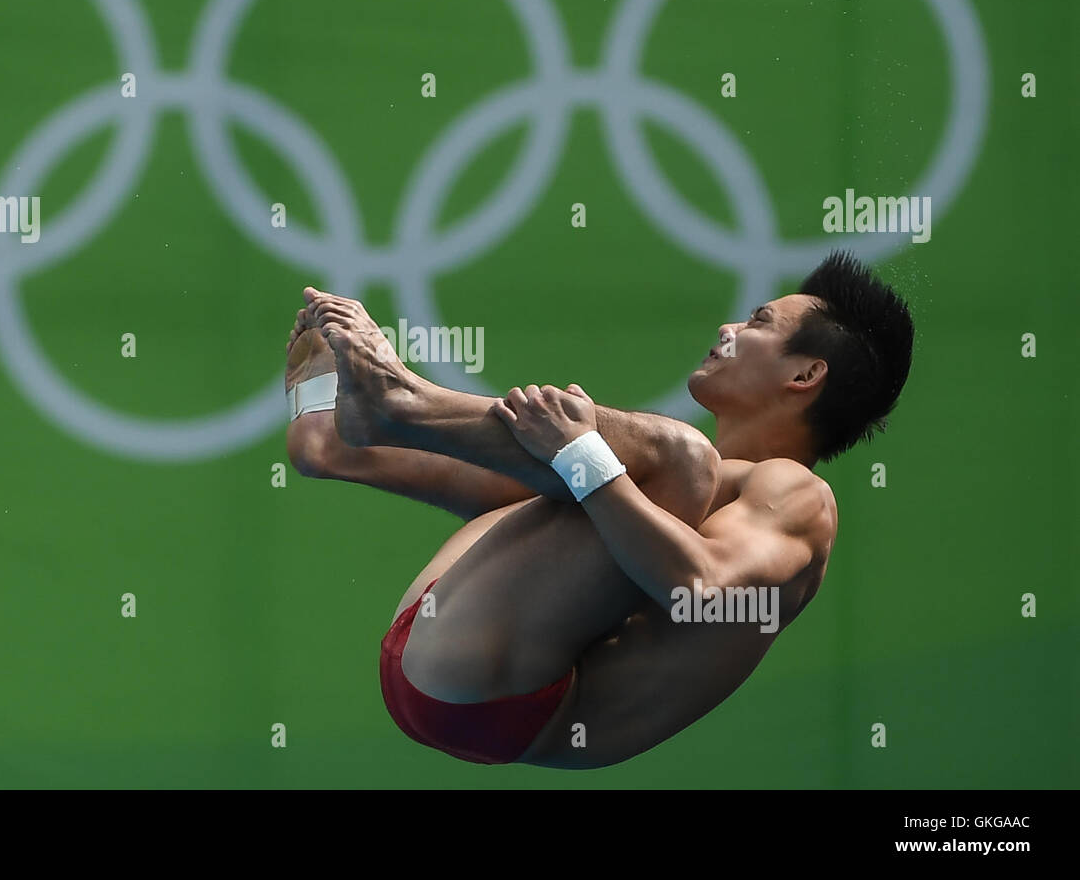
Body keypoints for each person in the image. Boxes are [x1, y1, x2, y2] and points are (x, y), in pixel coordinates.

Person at [284, 250, 913, 768]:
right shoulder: (688, 489)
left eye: (758, 323)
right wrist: (580, 463)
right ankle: (335, 441)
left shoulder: (799, 497)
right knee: (591, 475)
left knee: (672, 458)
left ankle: (401, 401)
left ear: (804, 376)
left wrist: (583, 455)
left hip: (506, 694)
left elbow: (702, 592)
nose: (729, 329)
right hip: (446, 655)